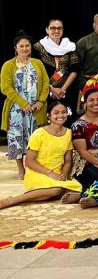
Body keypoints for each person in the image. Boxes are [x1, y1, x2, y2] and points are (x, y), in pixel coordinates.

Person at [0, 102, 81, 210]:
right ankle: (13, 200)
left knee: (80, 187)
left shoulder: (68, 133)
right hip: (38, 173)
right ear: (48, 115)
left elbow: (68, 160)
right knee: (56, 190)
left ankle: (58, 193)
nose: (60, 115)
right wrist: (50, 173)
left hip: (57, 174)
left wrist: (64, 174)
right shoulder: (39, 133)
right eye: (56, 113)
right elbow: (29, 162)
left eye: (63, 112)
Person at [2, 33, 50, 180]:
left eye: (27, 46)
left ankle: (33, 167)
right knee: (17, 140)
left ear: (30, 48)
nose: (24, 48)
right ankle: (21, 169)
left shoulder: (38, 63)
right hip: (16, 110)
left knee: (35, 140)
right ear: (15, 48)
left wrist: (41, 101)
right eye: (21, 46)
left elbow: (45, 84)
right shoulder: (8, 65)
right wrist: (23, 104)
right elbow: (6, 88)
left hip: (36, 110)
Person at [33, 19, 79, 116]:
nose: (56, 31)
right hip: (43, 92)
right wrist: (50, 88)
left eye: (59, 28)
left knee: (65, 119)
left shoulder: (70, 47)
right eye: (53, 28)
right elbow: (33, 72)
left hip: (66, 92)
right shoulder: (38, 47)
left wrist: (62, 89)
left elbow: (74, 70)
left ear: (63, 30)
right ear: (47, 30)